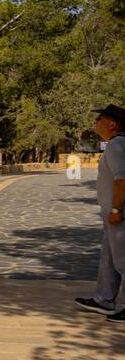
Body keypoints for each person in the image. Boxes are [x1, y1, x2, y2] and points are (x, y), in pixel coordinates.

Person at [75, 104, 125, 322]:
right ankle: (104, 299)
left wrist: (116, 209)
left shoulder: (117, 145)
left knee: (123, 261)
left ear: (112, 124)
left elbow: (122, 179)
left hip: (119, 215)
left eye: (100, 119)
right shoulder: (115, 144)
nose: (95, 123)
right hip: (111, 214)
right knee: (109, 259)